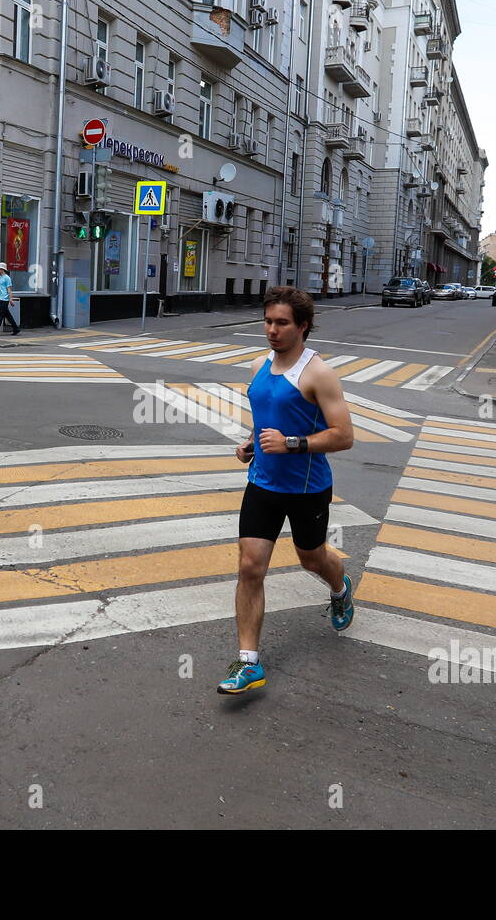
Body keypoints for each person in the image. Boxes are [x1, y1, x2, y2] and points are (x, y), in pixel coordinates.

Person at [218, 286, 356, 695]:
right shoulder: (264, 364)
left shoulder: (317, 373)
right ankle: (248, 664)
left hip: (306, 488)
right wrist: (251, 443)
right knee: (250, 566)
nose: (272, 331)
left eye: (282, 323)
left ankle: (340, 588)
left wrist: (293, 443)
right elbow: (268, 420)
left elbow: (344, 436)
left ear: (303, 327)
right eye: (268, 321)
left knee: (312, 559)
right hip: (263, 482)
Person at [0, 261, 20, 336]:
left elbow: (9, 289)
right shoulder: (0, 277)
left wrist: (10, 299)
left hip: (4, 300)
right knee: (7, 315)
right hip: (0, 299)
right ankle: (16, 329)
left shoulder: (7, 278)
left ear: (3, 269)